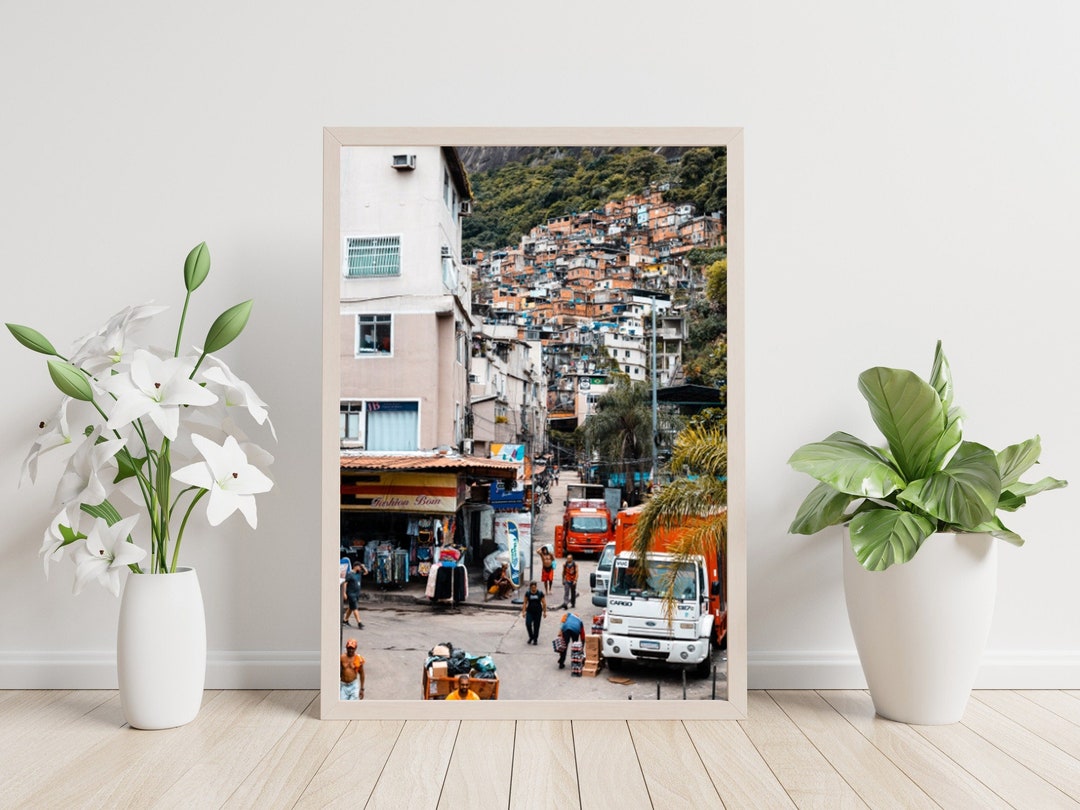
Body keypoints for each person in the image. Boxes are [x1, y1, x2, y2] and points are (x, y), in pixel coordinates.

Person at [520, 580, 547, 645]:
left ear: (536, 587)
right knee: (528, 624)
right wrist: (523, 612)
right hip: (530, 611)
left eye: (534, 587)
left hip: (538, 612)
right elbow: (525, 603)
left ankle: (535, 639)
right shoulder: (528, 593)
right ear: (530, 587)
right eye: (532, 588)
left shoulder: (540, 593)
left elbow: (544, 603)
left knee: (536, 626)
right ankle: (531, 636)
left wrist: (544, 612)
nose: (533, 589)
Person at [343, 561, 368, 628]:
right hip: (351, 593)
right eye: (359, 567)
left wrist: (363, 567)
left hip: (357, 593)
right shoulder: (350, 574)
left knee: (351, 607)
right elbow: (345, 583)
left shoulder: (359, 573)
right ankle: (359, 622)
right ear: (355, 567)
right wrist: (344, 593)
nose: (360, 568)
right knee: (355, 607)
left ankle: (345, 620)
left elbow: (366, 572)